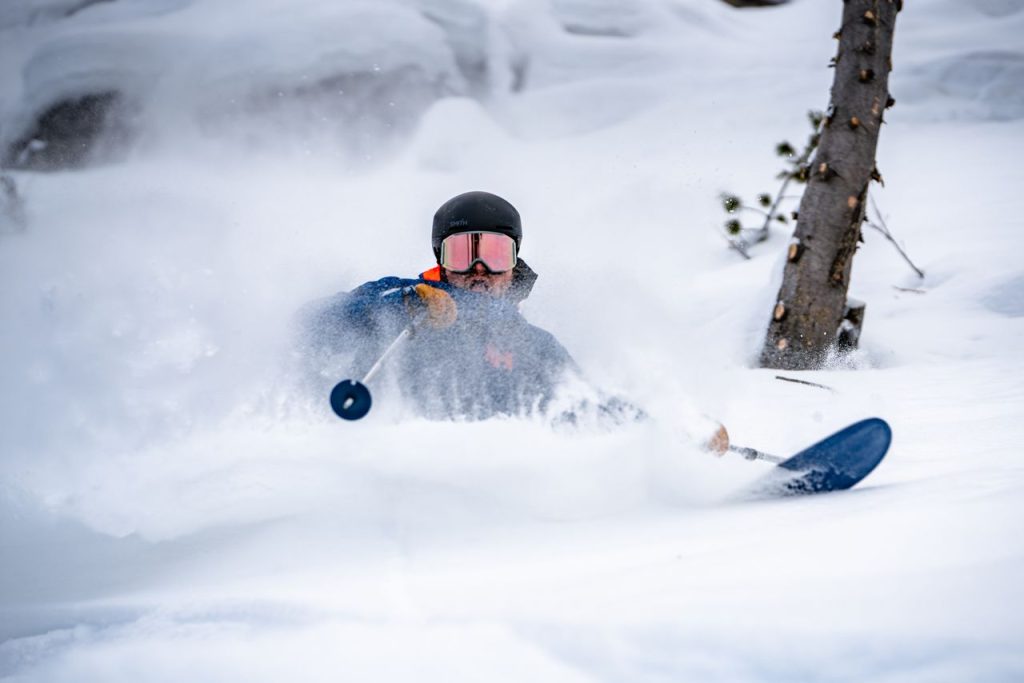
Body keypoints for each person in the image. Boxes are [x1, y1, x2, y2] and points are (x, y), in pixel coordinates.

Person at [302, 191, 727, 447]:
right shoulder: (403, 301)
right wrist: (402, 304)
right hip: (396, 470)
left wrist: (677, 434)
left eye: (495, 254)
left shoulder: (531, 345)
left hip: (493, 497)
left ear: (514, 264)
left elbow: (584, 406)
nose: (479, 269)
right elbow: (311, 324)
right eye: (462, 254)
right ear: (441, 262)